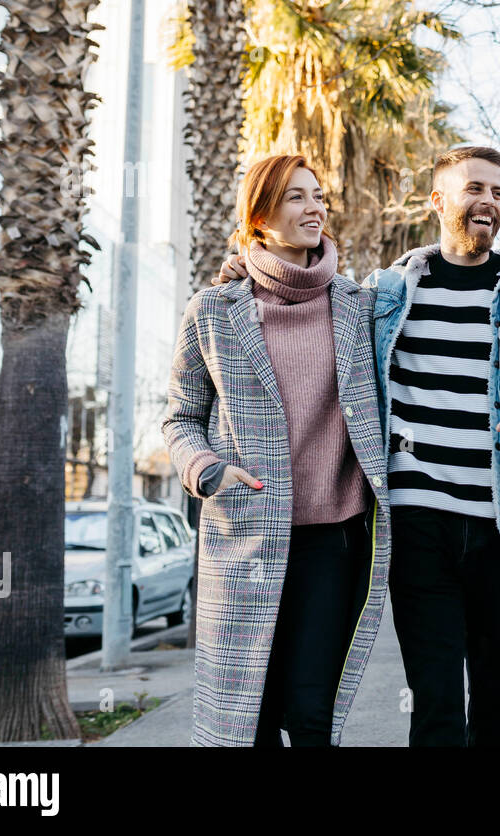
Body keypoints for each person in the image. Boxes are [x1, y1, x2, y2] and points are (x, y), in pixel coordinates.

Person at [215, 145, 500, 746]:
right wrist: (247, 265)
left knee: (497, 695)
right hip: (416, 524)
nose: (487, 202)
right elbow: (305, 295)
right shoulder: (386, 293)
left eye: (497, 192)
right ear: (438, 200)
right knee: (436, 699)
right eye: (474, 189)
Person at [161, 154, 390, 747]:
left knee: (312, 716)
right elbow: (181, 418)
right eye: (295, 197)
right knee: (248, 721)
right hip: (243, 538)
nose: (314, 207)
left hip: (332, 541)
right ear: (259, 218)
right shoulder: (211, 311)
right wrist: (207, 469)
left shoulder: (360, 307)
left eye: (317, 196)